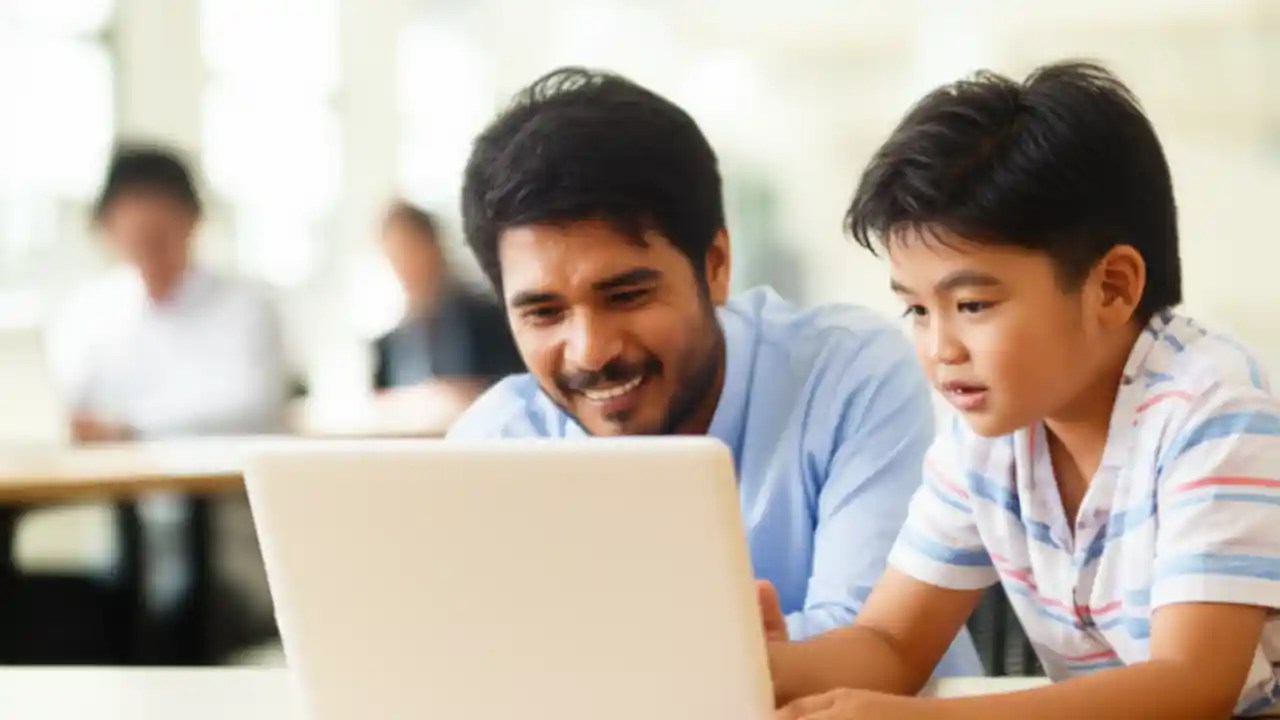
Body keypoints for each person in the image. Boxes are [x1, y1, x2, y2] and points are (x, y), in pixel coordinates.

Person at [764, 62, 1280, 719]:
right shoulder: (988, 436)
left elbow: (1191, 685)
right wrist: (760, 666)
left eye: (973, 305)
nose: (940, 348)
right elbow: (892, 642)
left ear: (1113, 287)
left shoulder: (1214, 412)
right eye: (918, 311)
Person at [447, 67, 980, 675]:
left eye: (626, 296)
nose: (590, 352)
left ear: (717, 265)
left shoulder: (846, 373)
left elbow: (871, 641)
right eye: (544, 313)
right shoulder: (494, 446)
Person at [46, 145, 286, 660]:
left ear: (192, 221)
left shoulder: (245, 307)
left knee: (191, 624)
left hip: (227, 534)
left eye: (158, 233)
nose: (146, 249)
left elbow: (253, 405)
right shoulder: (92, 313)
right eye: (130, 235)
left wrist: (130, 428)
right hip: (121, 537)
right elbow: (75, 414)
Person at [373, 200, 523, 395]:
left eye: (411, 248)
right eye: (396, 254)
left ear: (434, 246)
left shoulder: (491, 320)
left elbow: (517, 387)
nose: (405, 264)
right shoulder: (388, 345)